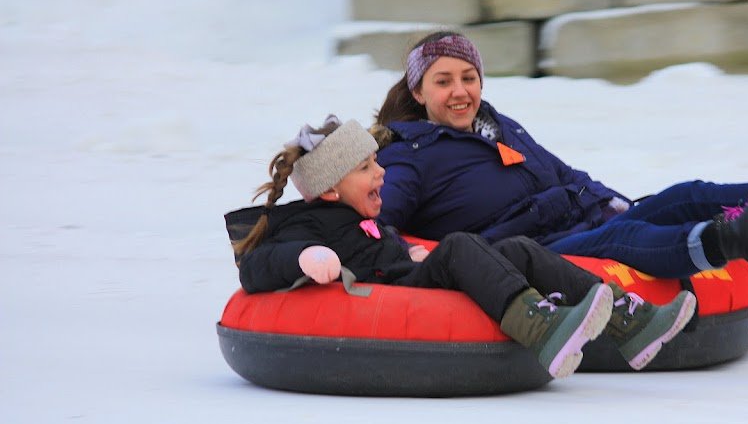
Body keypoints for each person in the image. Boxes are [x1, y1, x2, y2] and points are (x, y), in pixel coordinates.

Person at [364, 30, 748, 279]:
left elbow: (566, 175)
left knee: (683, 196)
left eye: (469, 77)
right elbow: (374, 221)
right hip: (529, 252)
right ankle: (739, 236)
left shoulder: (499, 127)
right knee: (625, 239)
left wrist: (615, 200)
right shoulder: (406, 156)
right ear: (418, 92)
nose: (460, 91)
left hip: (578, 219)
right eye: (443, 82)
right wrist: (407, 257)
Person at [231, 116, 698, 377]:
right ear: (330, 188)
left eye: (377, 163)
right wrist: (303, 257)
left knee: (516, 248)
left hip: (407, 277)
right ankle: (540, 329)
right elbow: (255, 267)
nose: (382, 174)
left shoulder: (361, 216)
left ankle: (627, 319)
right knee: (458, 246)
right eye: (367, 169)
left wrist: (412, 253)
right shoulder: (306, 221)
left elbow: (389, 248)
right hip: (390, 293)